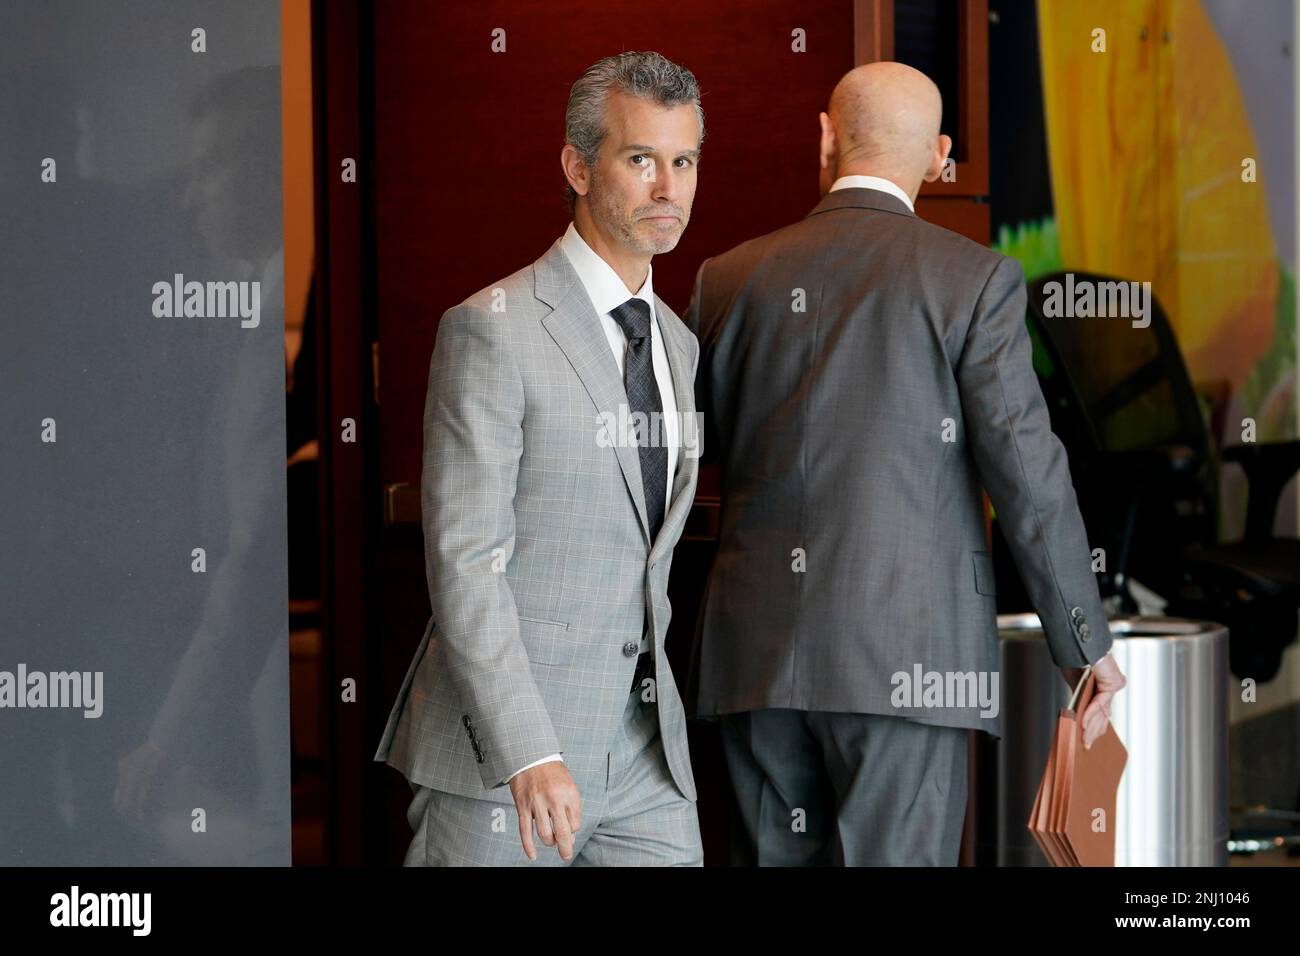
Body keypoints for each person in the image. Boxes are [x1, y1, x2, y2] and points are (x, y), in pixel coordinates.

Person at [685, 61, 1126, 866]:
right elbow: (1025, 473)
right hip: (909, 665)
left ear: (825, 137)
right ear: (939, 155)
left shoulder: (728, 278)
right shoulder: (971, 280)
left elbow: (683, 464)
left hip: (750, 663)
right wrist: (1082, 642)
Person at [375, 51, 706, 866]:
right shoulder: (493, 326)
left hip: (644, 755)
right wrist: (529, 750)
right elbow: (465, 561)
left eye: (684, 160)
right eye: (640, 159)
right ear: (578, 167)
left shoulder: (679, 343)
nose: (668, 187)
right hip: (506, 756)